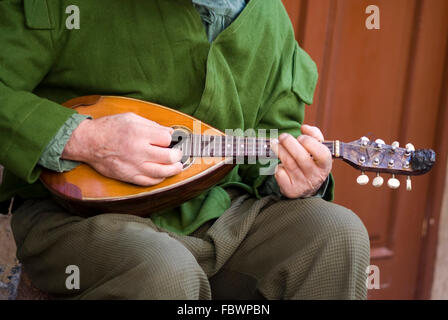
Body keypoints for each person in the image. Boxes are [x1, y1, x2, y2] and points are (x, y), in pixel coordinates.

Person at [0, 0, 370, 299]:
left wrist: (295, 177)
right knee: (163, 270)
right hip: (79, 215)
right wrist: (83, 139)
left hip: (221, 213)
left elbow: (274, 140)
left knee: (336, 232)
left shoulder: (269, 15)